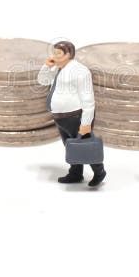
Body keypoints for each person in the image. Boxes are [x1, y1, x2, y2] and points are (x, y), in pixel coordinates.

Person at [38, 40, 106, 187]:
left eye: (58, 53)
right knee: (70, 146)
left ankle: (99, 171)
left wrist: (86, 123)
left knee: (86, 145)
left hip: (76, 117)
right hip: (60, 118)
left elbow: (88, 99)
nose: (54, 56)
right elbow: (42, 81)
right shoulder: (57, 69)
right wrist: (46, 66)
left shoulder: (80, 71)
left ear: (68, 54)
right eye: (54, 52)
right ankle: (76, 173)